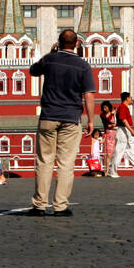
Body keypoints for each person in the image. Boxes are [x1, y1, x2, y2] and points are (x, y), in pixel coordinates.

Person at [28, 29, 96, 217]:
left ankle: (40, 204)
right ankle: (60, 206)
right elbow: (89, 95)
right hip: (71, 118)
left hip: (48, 116)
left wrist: (51, 53)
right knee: (66, 163)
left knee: (44, 161)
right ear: (77, 44)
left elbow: (33, 70)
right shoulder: (83, 66)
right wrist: (91, 120)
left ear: (58, 42)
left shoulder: (50, 60)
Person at [111, 92, 134, 177]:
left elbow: (121, 120)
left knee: (132, 151)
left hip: (125, 130)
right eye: (130, 98)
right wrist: (131, 130)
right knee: (119, 151)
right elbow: (124, 120)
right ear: (127, 98)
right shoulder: (123, 107)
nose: (132, 99)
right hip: (124, 130)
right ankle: (113, 171)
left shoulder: (123, 107)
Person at [99, 102, 117, 176]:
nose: (104, 109)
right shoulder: (102, 115)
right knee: (109, 153)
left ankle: (113, 170)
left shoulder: (114, 114)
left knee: (115, 153)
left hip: (115, 133)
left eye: (106, 107)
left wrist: (113, 113)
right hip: (109, 134)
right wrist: (112, 113)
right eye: (103, 107)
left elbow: (116, 123)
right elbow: (107, 121)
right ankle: (106, 170)